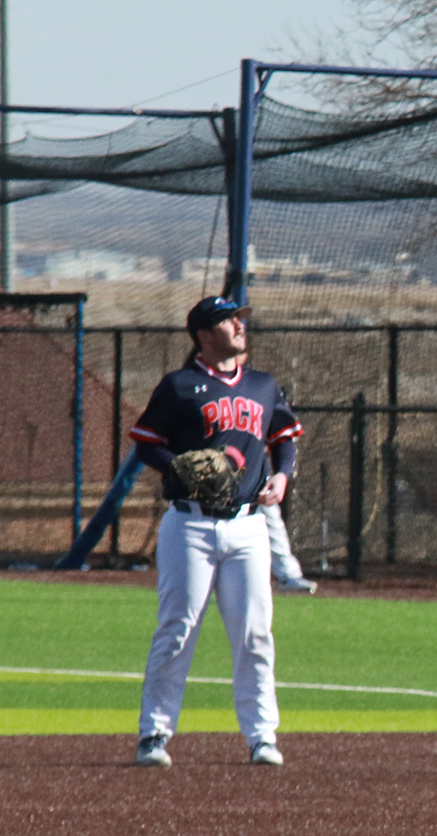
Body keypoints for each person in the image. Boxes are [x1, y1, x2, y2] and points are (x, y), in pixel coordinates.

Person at [128, 296, 303, 767]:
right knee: (178, 629)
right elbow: (146, 443)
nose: (239, 326)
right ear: (205, 335)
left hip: (248, 527)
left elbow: (284, 438)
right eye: (228, 320)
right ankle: (154, 734)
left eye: (239, 319)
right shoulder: (180, 385)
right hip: (189, 524)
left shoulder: (264, 386)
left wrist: (282, 477)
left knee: (254, 634)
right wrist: (178, 466)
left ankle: (262, 736)